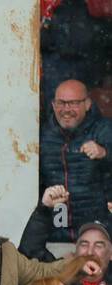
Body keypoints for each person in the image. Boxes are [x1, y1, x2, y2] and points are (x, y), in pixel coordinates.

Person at [39, 81, 112, 243]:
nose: (66, 110)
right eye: (61, 103)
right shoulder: (42, 134)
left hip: (98, 233)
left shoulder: (104, 129)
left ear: (87, 104)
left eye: (73, 103)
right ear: (53, 104)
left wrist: (105, 153)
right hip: (55, 234)